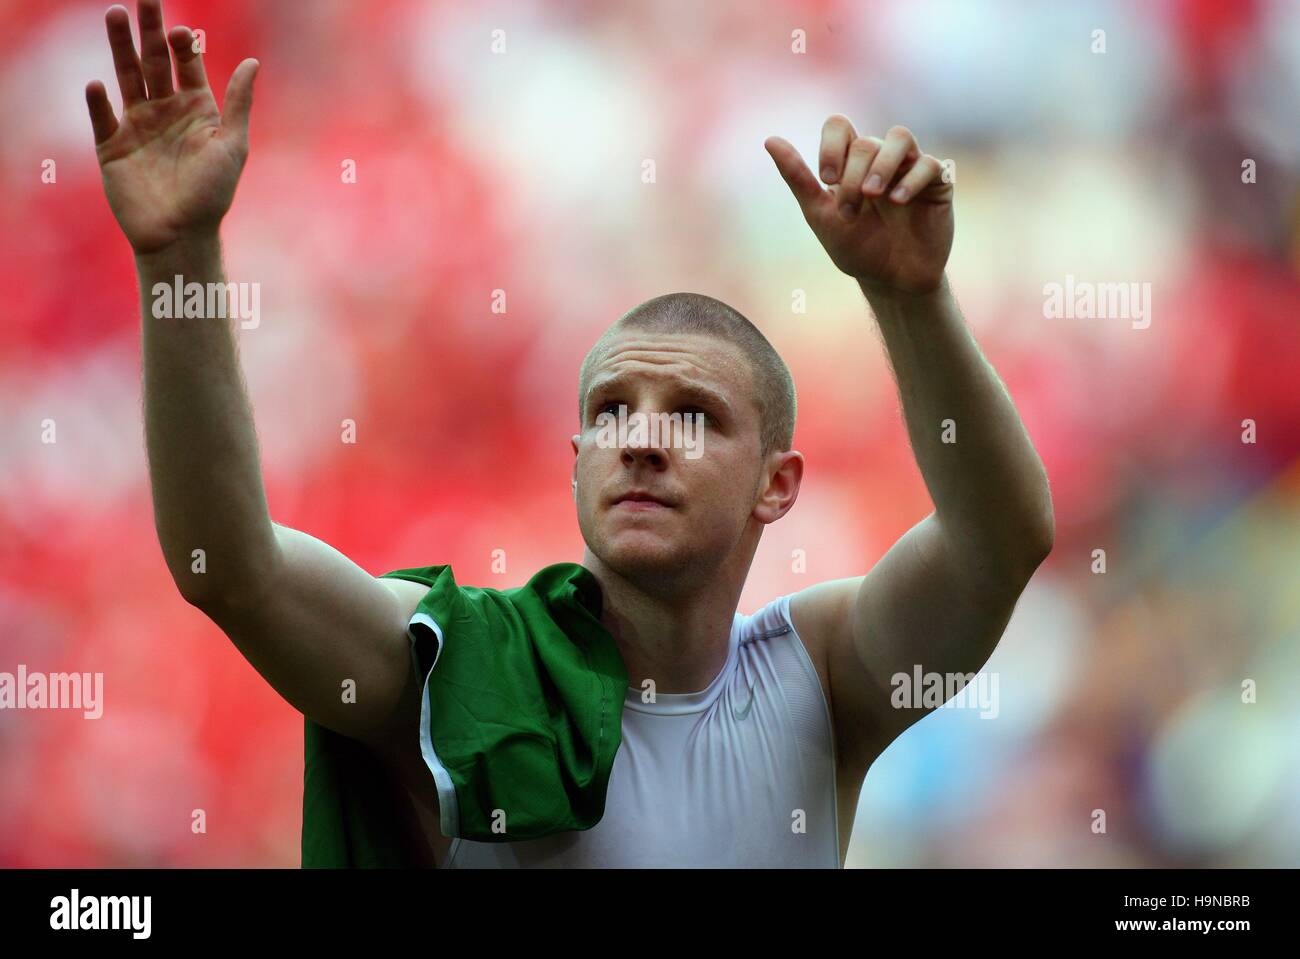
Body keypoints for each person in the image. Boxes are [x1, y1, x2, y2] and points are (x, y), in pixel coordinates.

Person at [85, 0, 1054, 869]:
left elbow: (998, 542)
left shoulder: (825, 675)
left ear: (777, 482)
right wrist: (180, 255)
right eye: (607, 411)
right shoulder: (448, 667)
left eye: (694, 415)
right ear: (575, 459)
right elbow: (229, 566)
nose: (638, 438)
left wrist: (910, 297)